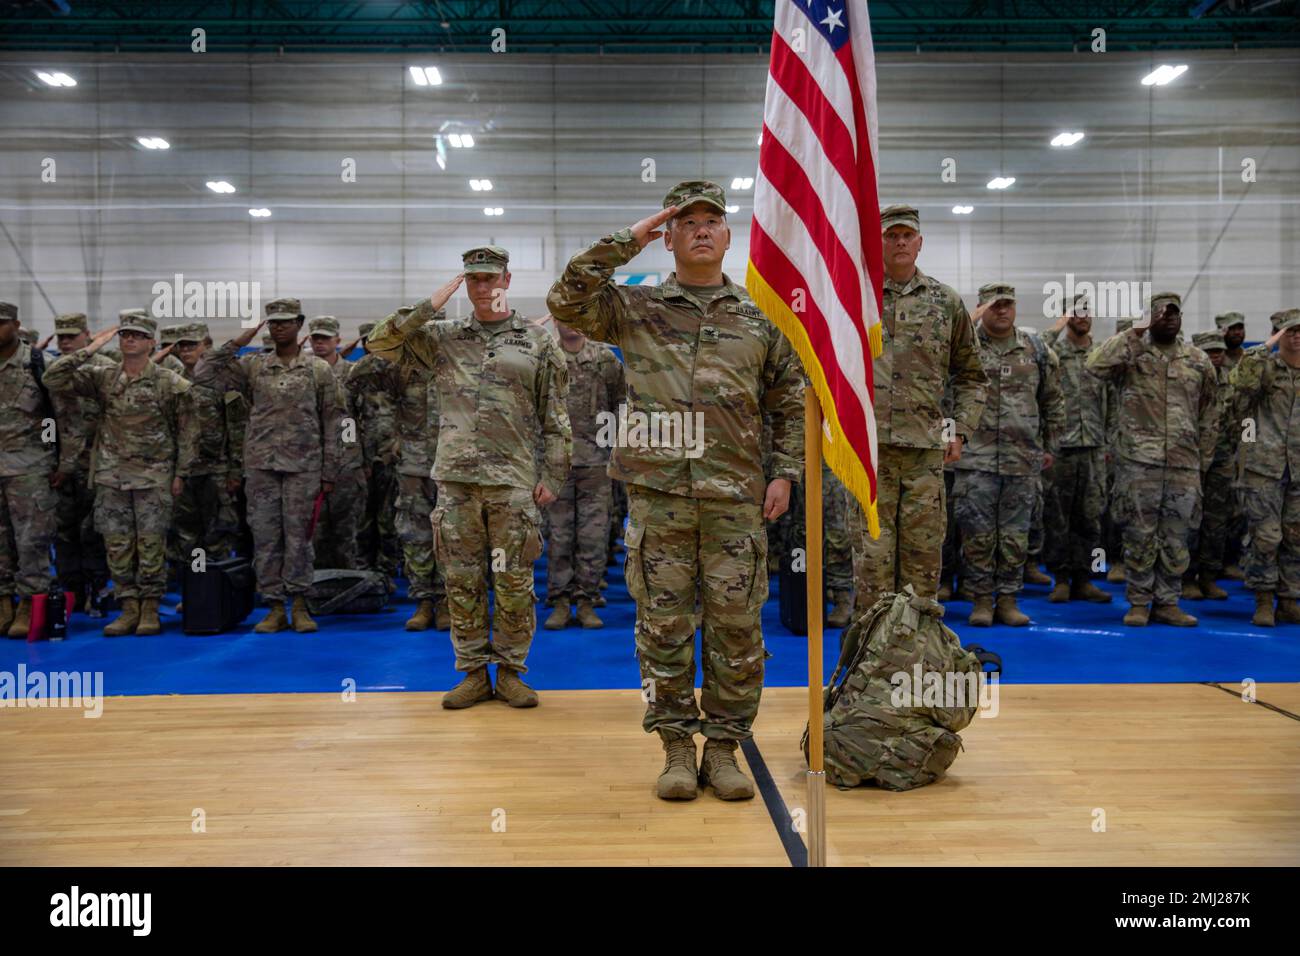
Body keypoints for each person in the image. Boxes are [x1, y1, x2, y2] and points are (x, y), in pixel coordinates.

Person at [547, 180, 804, 801]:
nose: (700, 229)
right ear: (668, 236)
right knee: (662, 626)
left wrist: (786, 470)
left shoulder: (760, 317)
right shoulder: (635, 308)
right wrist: (626, 239)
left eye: (711, 220)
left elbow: (789, 401)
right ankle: (675, 749)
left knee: (737, 627)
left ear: (727, 235)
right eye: (685, 221)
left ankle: (723, 749)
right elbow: (566, 298)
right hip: (658, 495)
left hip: (734, 497)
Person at [368, 247, 572, 709]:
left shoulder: (537, 342)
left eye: (490, 278)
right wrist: (428, 306)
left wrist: (554, 476)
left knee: (514, 581)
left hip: (512, 482)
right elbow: (380, 342)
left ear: (507, 279)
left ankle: (512, 672)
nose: (482, 287)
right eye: (473, 279)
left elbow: (555, 418)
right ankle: (474, 673)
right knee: (461, 581)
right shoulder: (442, 336)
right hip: (457, 482)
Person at [847, 204, 987, 614]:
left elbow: (971, 374)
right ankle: (870, 666)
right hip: (869, 454)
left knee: (922, 567)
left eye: (908, 235)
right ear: (879, 243)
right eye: (892, 236)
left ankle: (916, 665)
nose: (901, 242)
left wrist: (958, 430)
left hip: (925, 455)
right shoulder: (857, 300)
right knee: (871, 568)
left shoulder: (945, 302)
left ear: (920, 243)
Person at [195, 297, 344, 634]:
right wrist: (238, 341)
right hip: (261, 465)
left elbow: (333, 421)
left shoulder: (318, 370)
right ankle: (275, 606)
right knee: (265, 537)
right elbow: (204, 373)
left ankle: (301, 604)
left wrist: (330, 470)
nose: (279, 327)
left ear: (299, 323)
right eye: (273, 321)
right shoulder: (254, 366)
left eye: (286, 321)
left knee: (299, 538)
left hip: (303, 466)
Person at [45, 315, 198, 636]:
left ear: (151, 342)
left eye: (137, 335)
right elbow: (53, 378)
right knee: (117, 545)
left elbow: (188, 431)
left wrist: (181, 472)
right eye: (125, 335)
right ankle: (129, 607)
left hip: (153, 477)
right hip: (111, 476)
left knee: (151, 545)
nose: (129, 340)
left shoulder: (169, 381)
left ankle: (150, 608)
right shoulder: (104, 377)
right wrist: (91, 347)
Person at [1086, 292, 1218, 626]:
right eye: (1161, 314)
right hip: (1138, 463)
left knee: (1176, 535)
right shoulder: (1132, 355)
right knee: (1138, 534)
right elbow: (1094, 364)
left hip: (1183, 463)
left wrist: (1201, 460)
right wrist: (1137, 329)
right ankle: (1140, 602)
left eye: (1174, 313)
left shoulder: (1197, 360)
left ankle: (1168, 602)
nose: (1168, 319)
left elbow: (1209, 415)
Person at [952, 284, 1064, 626]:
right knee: (977, 535)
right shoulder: (964, 346)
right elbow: (945, 394)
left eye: (1007, 305)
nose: (1001, 311)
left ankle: (1008, 600)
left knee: (1016, 537)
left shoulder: (1037, 349)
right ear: (982, 308)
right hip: (976, 459)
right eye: (994, 305)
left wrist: (1051, 445)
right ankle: (982, 600)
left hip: (1021, 458)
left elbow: (1053, 400)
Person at [347, 306, 450, 631]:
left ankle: (448, 602)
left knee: (454, 537)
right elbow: (358, 375)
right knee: (415, 535)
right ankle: (422, 601)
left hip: (455, 465)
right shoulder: (400, 365)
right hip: (414, 464)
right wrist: (394, 340)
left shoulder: (462, 363)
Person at [544, 320, 624, 630]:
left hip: (596, 464)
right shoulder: (547, 356)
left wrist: (618, 449)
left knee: (593, 537)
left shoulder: (605, 359)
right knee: (560, 535)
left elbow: (621, 403)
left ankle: (587, 600)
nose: (571, 324)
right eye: (564, 317)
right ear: (555, 321)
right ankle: (561, 601)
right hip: (557, 464)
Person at [1229, 308, 1300, 627]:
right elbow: (1240, 383)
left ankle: (1288, 599)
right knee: (1265, 537)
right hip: (1264, 468)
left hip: (1297, 469)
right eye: (1290, 331)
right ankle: (1263, 600)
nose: (1297, 336)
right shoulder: (1265, 368)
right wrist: (1266, 345)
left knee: (1295, 537)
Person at [1040, 293, 1111, 603]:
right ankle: (1061, 578)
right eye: (1076, 312)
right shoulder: (1052, 351)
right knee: (1058, 516)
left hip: (1095, 445)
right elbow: (1036, 346)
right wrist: (1057, 325)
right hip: (1061, 445)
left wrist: (1110, 440)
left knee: (1091, 516)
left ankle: (1085, 578)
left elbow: (1114, 400)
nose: (1083, 316)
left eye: (1087, 311)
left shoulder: (1100, 354)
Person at [48, 312, 114, 615]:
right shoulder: (50, 369)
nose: (64, 341)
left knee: (94, 532)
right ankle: (70, 592)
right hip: (62, 465)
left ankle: (98, 590)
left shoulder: (105, 369)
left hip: (95, 464)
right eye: (60, 336)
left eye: (71, 336)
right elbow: (45, 420)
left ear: (87, 335)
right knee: (63, 532)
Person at [0, 301, 59, 638]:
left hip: (29, 467)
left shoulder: (37, 365)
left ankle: (30, 603)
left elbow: (56, 417)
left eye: (2, 323)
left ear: (16, 325)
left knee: (32, 541)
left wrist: (53, 457)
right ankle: (3, 602)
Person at [169, 321, 239, 571]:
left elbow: (237, 426)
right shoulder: (172, 381)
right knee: (187, 534)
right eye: (182, 345)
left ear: (207, 345)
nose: (186, 350)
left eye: (192, 344)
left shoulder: (223, 380)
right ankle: (197, 586)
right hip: (184, 472)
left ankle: (218, 589)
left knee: (219, 530)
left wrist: (235, 469)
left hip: (216, 469)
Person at [307, 315, 365, 570]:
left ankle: (346, 579)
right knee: (313, 527)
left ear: (337, 341)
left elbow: (366, 416)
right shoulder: (303, 372)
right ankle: (316, 583)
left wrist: (364, 458)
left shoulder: (352, 373)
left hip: (346, 460)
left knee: (346, 526)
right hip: (310, 459)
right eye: (316, 338)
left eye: (325, 338)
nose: (320, 343)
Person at [1183, 330, 1236, 601]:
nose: (1216, 356)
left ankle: (1209, 576)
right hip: (1191, 457)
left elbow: (1244, 418)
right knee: (1189, 519)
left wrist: (1245, 445)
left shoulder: (1233, 381)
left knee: (1217, 521)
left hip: (1222, 458)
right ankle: (1185, 577)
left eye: (1219, 351)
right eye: (1210, 352)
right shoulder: (1188, 379)